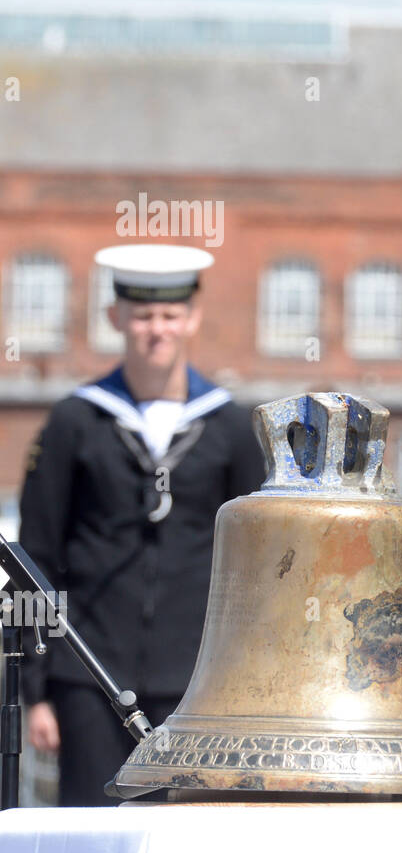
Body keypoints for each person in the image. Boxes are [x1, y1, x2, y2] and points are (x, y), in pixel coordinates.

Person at [21, 244, 266, 805]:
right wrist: (37, 689)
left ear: (192, 318)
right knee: (91, 829)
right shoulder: (75, 421)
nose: (157, 329)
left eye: (170, 315)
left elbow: (255, 561)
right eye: (142, 315)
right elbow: (36, 554)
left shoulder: (228, 426)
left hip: (200, 680)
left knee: (188, 839)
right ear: (116, 318)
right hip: (88, 675)